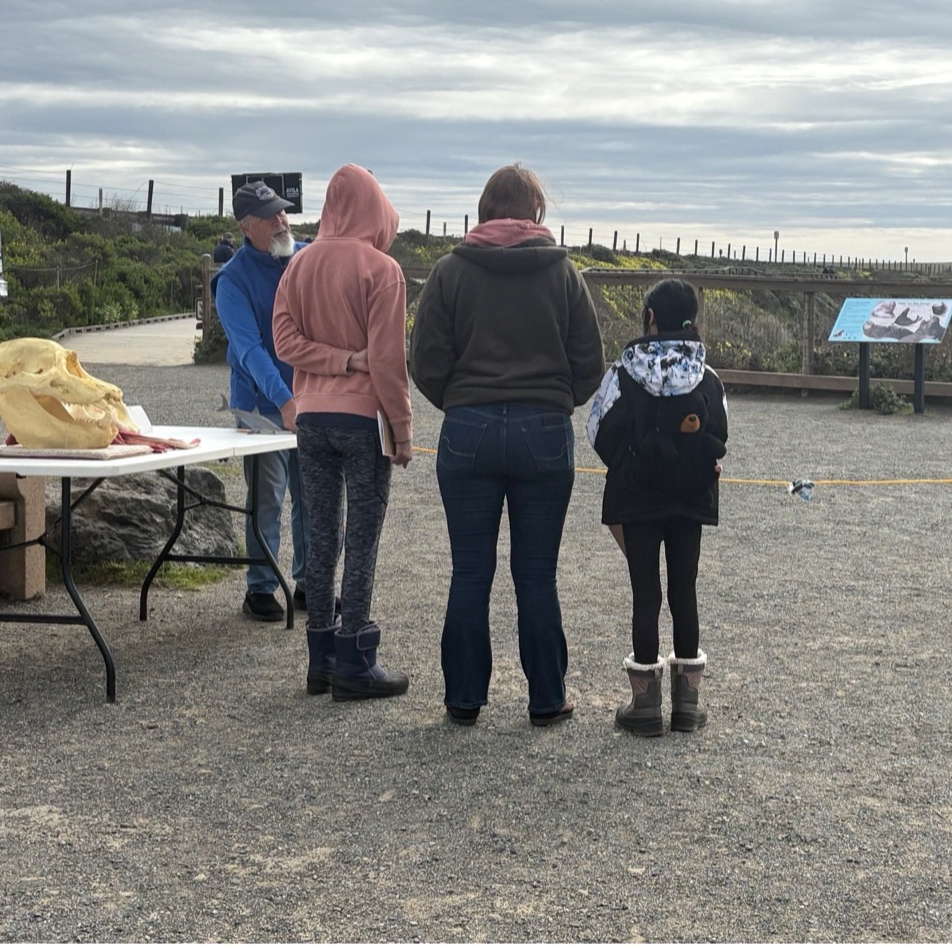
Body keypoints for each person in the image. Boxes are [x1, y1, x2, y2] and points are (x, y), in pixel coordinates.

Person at [409, 164, 605, 727]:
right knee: (537, 573)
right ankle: (547, 697)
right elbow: (589, 361)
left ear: (484, 209)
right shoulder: (563, 272)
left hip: (468, 427)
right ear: (535, 211)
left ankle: (464, 698)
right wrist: (557, 400)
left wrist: (459, 401)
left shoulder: (450, 271)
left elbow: (424, 359)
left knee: (469, 571)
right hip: (543, 429)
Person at [273, 164, 413, 700]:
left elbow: (284, 342)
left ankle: (321, 659)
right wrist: (402, 429)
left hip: (311, 416)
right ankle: (356, 658)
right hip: (362, 420)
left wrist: (334, 362)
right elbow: (388, 363)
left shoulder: (298, 264)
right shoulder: (382, 269)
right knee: (362, 535)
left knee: (321, 533)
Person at [587, 278, 728, 735]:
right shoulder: (706, 375)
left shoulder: (625, 371)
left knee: (645, 592)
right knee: (684, 589)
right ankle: (688, 705)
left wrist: (629, 462)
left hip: (638, 496)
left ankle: (644, 704)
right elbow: (720, 433)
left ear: (649, 318)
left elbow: (596, 429)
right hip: (691, 497)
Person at [212, 181, 308, 622]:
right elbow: (250, 351)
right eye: (270, 217)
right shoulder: (231, 281)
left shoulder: (304, 257)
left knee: (313, 496)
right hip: (260, 406)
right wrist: (286, 402)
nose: (281, 221)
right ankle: (260, 587)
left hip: (307, 399)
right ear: (246, 227)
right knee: (268, 497)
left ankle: (310, 583)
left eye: (282, 212)